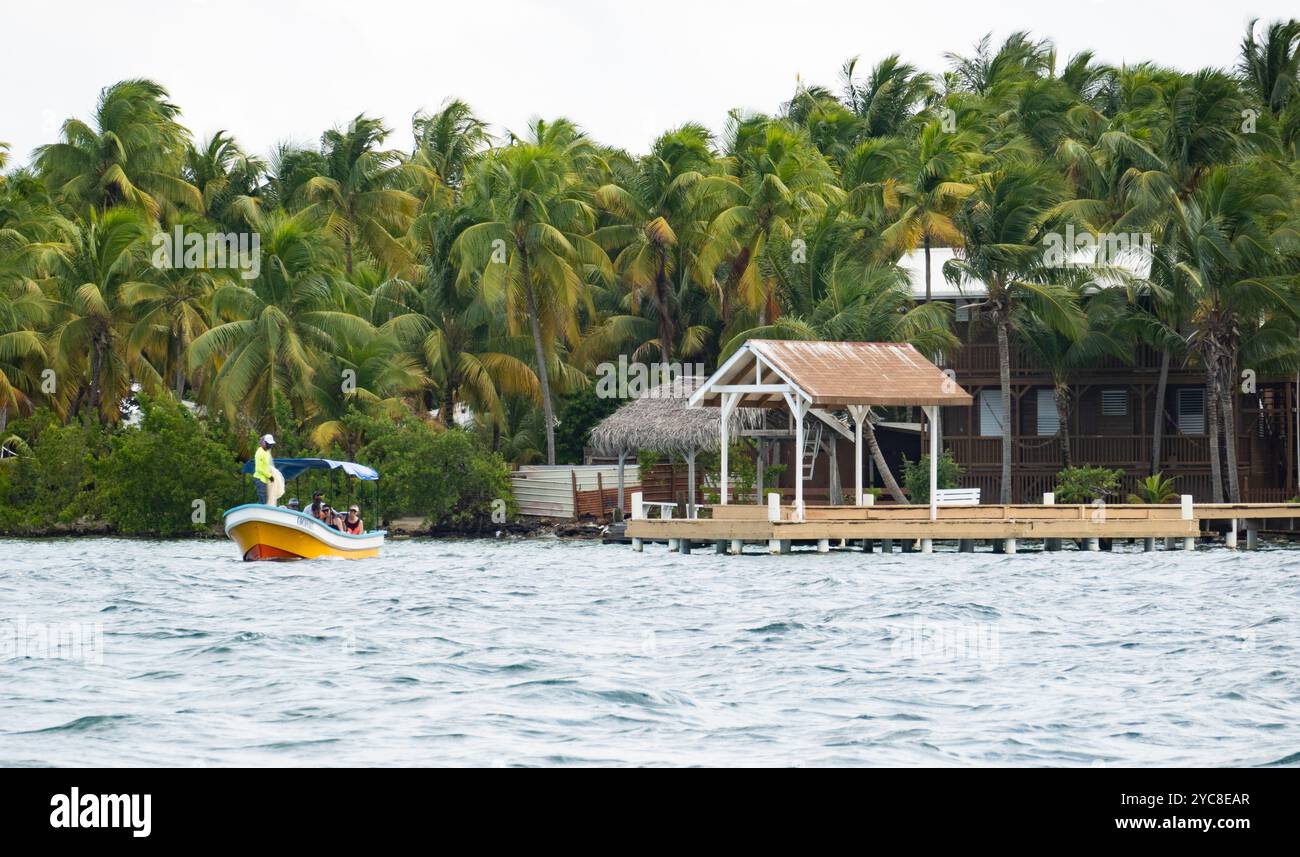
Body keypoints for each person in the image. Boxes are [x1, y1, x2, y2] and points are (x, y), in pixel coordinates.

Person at [252, 434, 276, 504]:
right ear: (264, 443)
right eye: (269, 444)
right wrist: (269, 476)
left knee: (265, 499)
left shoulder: (267, 452)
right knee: (263, 500)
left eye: (271, 444)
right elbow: (259, 468)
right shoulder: (259, 453)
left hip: (264, 479)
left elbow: (267, 466)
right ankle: (256, 512)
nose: (270, 446)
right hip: (259, 478)